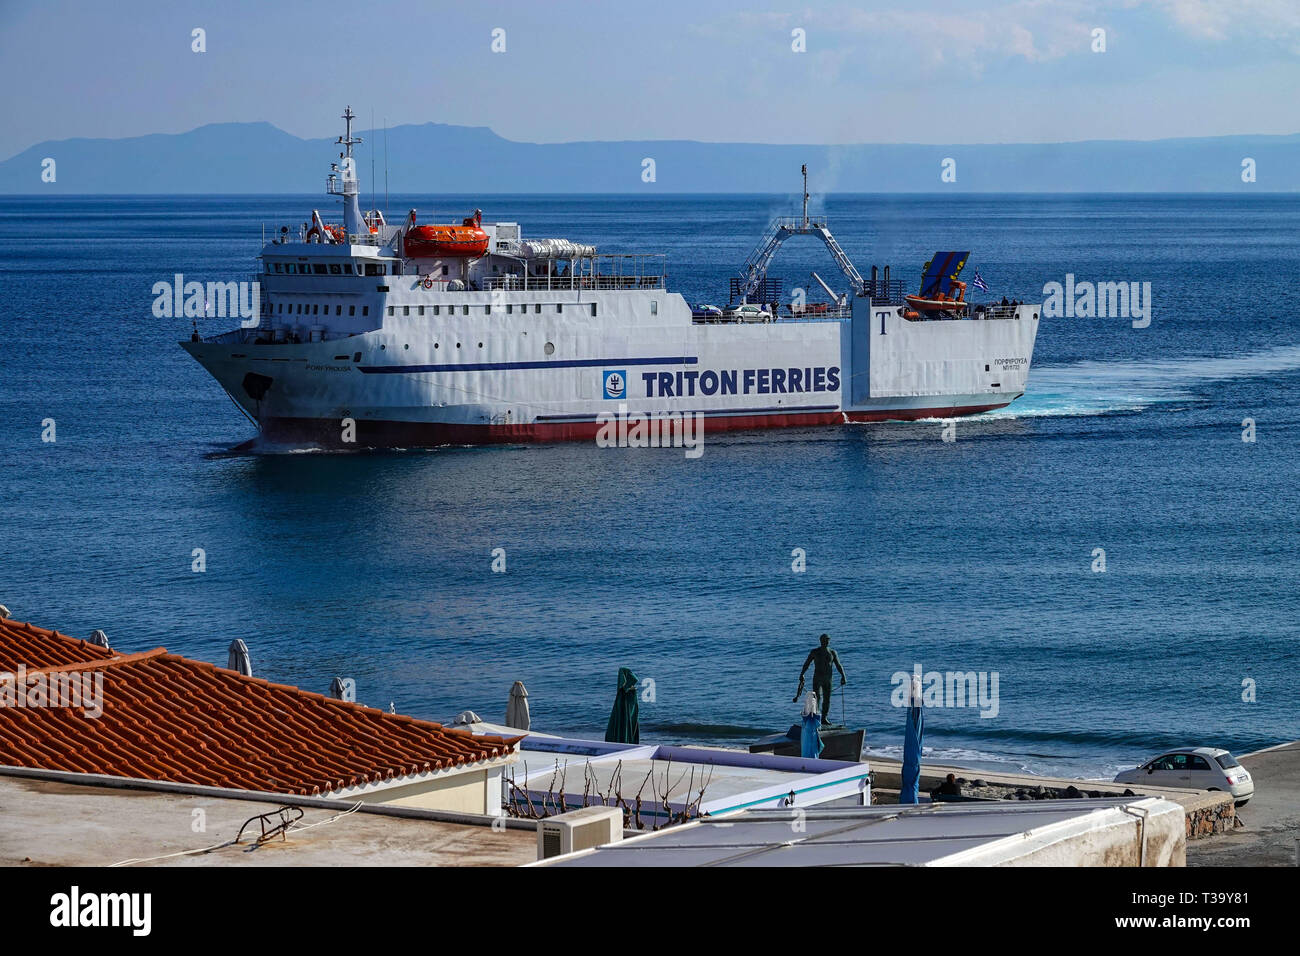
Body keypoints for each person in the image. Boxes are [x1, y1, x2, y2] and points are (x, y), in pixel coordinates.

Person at [798, 633, 847, 725]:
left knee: (827, 699)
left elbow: (838, 665)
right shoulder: (815, 652)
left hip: (828, 679)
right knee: (817, 698)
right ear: (820, 641)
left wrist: (843, 676)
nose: (826, 642)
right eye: (824, 640)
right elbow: (807, 663)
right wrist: (802, 674)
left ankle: (824, 718)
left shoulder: (832, 652)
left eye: (827, 640)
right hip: (817, 678)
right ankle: (816, 716)